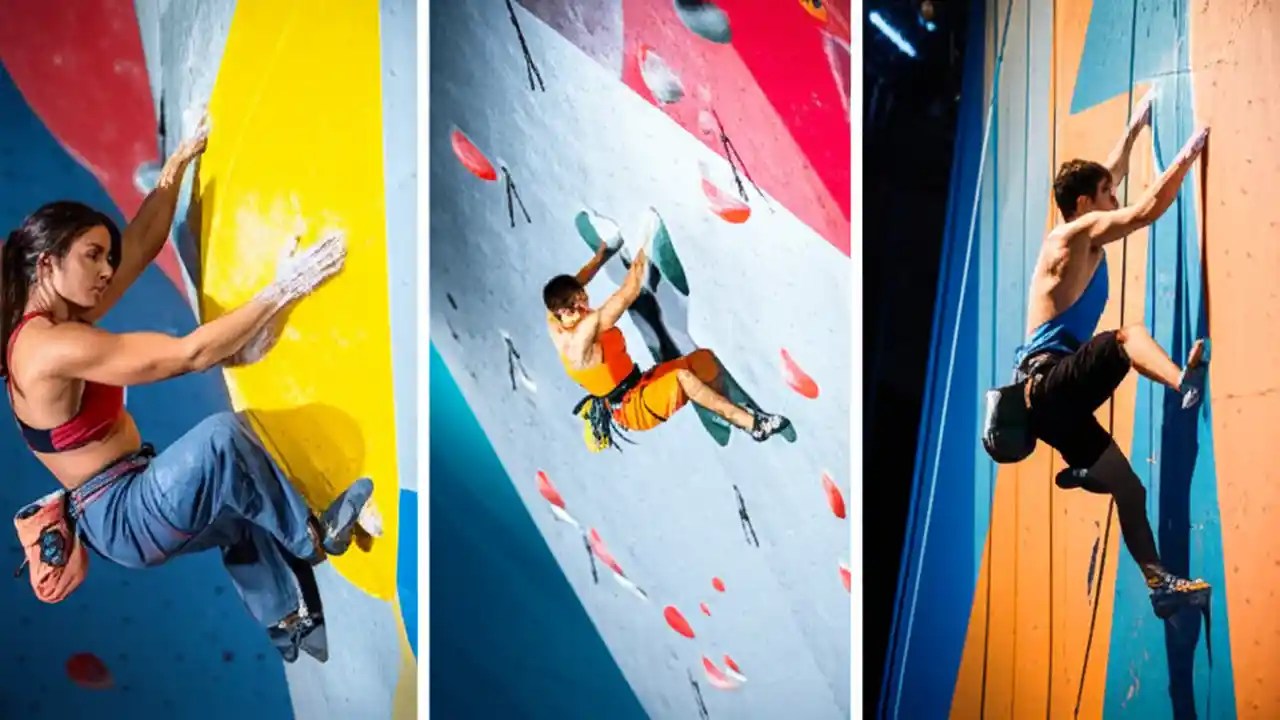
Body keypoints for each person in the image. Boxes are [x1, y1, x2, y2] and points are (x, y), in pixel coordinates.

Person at [2, 117, 374, 662]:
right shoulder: (50, 348)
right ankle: (312, 536)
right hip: (127, 515)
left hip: (123, 510)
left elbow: (140, 245)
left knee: (236, 508)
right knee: (224, 443)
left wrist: (177, 165)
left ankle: (284, 619)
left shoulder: (58, 313)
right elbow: (189, 354)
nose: (107, 269)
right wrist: (286, 288)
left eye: (105, 256)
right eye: (93, 256)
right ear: (47, 263)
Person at [1011, 92, 1211, 618]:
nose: (1112, 196)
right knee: (1125, 339)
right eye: (1105, 193)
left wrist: (1133, 128)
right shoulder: (1077, 232)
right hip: (1048, 383)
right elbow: (1146, 210)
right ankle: (1182, 383)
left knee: (1131, 489)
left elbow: (1111, 174)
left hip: (1053, 408)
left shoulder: (1077, 226)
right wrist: (1190, 155)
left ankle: (1160, 584)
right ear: (1084, 204)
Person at [544, 221, 790, 451]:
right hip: (633, 408)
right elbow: (628, 292)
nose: (587, 306)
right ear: (566, 310)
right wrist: (646, 239)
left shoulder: (555, 317)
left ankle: (716, 406)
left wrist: (602, 254)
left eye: (585, 299)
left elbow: (577, 280)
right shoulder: (584, 336)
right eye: (582, 304)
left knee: (703, 361)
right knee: (682, 378)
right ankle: (752, 425)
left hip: (641, 382)